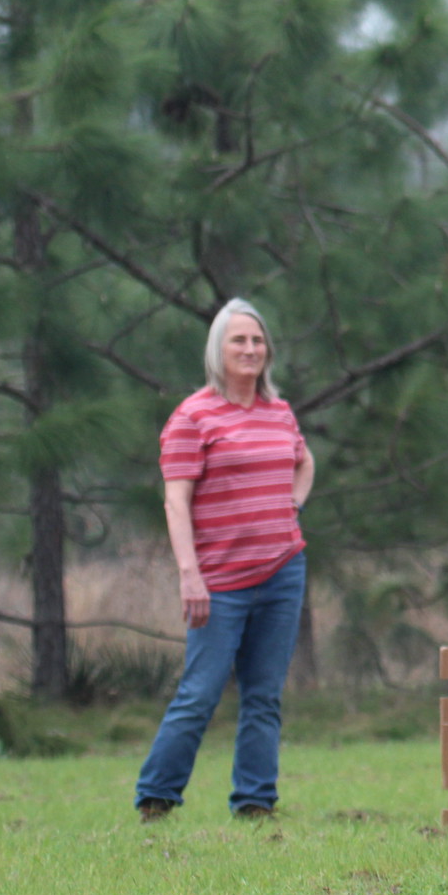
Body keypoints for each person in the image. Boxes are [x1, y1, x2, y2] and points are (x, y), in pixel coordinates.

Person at [135, 299, 315, 822]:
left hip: (282, 570)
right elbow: (176, 502)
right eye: (239, 340)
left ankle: (255, 802)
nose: (250, 349)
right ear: (218, 350)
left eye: (258, 341)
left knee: (264, 695)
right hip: (219, 581)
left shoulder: (279, 412)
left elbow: (304, 462)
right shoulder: (193, 416)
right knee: (201, 692)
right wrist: (190, 575)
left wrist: (291, 506)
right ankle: (156, 797)